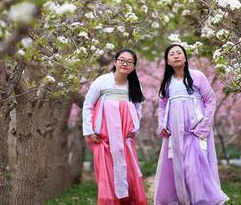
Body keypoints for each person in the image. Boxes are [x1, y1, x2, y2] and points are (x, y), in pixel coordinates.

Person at [154, 44, 228, 205]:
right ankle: (182, 200)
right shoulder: (167, 83)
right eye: (171, 54)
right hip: (175, 133)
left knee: (194, 169)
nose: (176, 56)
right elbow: (161, 106)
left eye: (179, 53)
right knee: (178, 168)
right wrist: (162, 125)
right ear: (167, 61)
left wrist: (203, 126)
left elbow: (210, 100)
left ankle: (202, 201)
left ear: (185, 57)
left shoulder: (197, 76)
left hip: (194, 131)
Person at [82, 49, 147, 205]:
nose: (125, 64)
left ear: (133, 66)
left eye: (129, 62)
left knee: (130, 178)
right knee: (108, 179)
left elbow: (138, 109)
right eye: (121, 60)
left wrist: (135, 127)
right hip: (104, 142)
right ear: (115, 61)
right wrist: (90, 131)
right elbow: (88, 105)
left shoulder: (134, 86)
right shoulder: (101, 82)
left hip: (125, 143)